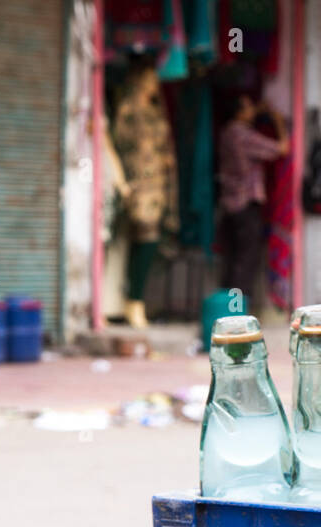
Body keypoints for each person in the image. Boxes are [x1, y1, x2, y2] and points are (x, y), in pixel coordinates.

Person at [112, 57, 179, 329]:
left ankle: (135, 301)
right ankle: (131, 301)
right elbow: (118, 144)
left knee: (151, 243)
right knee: (140, 239)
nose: (154, 85)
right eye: (150, 79)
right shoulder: (127, 110)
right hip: (136, 184)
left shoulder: (154, 112)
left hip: (158, 186)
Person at [218, 94, 289, 310]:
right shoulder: (243, 135)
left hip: (230, 205)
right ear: (239, 111)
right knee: (245, 262)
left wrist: (258, 110)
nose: (252, 111)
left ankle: (227, 312)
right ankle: (237, 314)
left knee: (233, 260)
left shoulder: (227, 133)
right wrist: (277, 120)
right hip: (245, 204)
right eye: (248, 108)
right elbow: (282, 148)